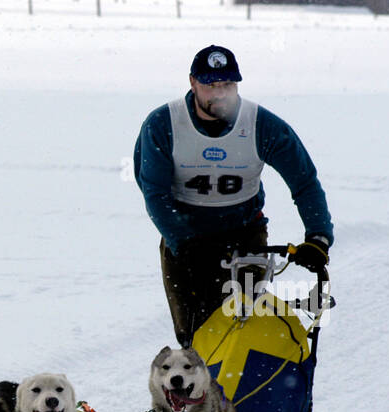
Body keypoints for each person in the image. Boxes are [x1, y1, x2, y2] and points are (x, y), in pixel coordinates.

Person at [134, 45, 334, 348]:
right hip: (185, 239)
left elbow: (304, 181)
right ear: (192, 82)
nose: (220, 94)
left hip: (245, 235)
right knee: (196, 340)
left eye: (228, 84)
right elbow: (155, 194)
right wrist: (184, 241)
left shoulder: (261, 125)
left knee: (243, 328)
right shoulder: (163, 125)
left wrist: (318, 237)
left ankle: (248, 389)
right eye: (211, 85)